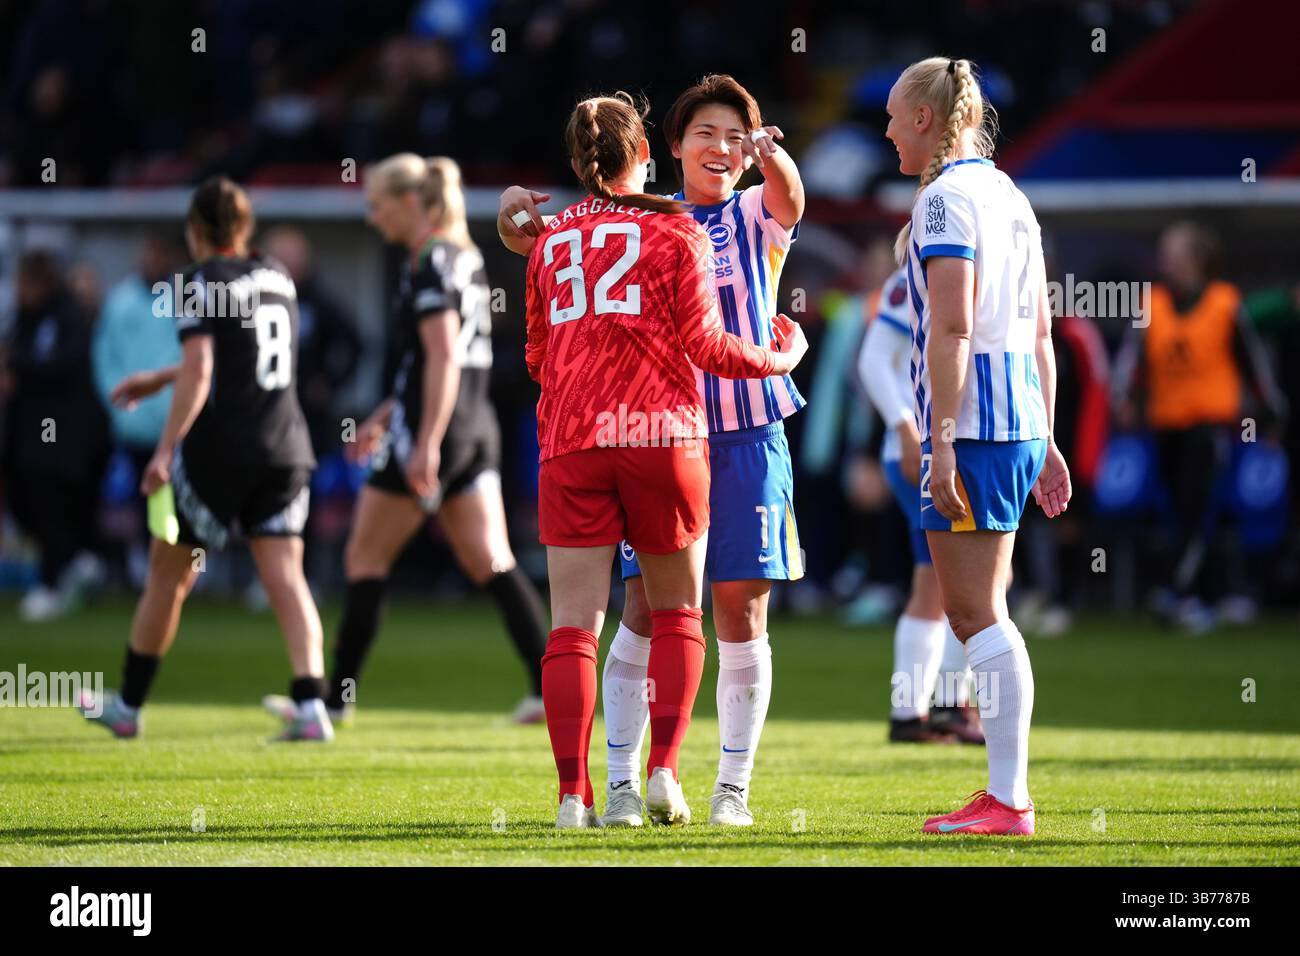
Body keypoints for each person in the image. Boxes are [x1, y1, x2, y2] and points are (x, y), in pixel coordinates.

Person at [498, 74, 806, 827]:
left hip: (575, 439)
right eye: (707, 133)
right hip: (667, 434)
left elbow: (536, 359)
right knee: (675, 614)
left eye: (737, 137)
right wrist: (781, 359)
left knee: (574, 623)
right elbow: (704, 343)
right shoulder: (677, 230)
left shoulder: (553, 241)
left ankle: (578, 797)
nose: (723, 147)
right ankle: (661, 775)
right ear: (653, 149)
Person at [267, 154, 550, 727]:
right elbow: (437, 360)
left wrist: (424, 440)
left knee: (364, 557)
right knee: (491, 561)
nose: (373, 219)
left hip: (436, 431)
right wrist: (386, 410)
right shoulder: (463, 256)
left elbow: (442, 355)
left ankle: (333, 701)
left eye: (377, 205)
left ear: (410, 202)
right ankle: (551, 690)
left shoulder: (428, 263)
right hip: (474, 428)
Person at [885, 57, 1071, 835]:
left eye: (895, 115)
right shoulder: (1009, 193)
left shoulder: (944, 201)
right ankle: (1005, 792)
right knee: (977, 610)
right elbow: (1041, 333)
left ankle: (1009, 797)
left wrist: (944, 443)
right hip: (1018, 418)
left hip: (980, 425)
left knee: (975, 613)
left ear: (926, 119)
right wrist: (1050, 439)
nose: (888, 130)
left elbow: (953, 330)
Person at [77, 177, 332, 742]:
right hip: (285, 447)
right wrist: (161, 377)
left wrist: (165, 449)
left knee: (168, 578)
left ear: (195, 230)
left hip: (222, 451)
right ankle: (312, 706)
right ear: (244, 229)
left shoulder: (197, 282)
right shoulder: (278, 277)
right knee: (287, 578)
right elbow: (241, 359)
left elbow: (203, 368)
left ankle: (128, 705)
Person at [1112, 221, 1286, 632]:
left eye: (1175, 252)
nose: (1166, 260)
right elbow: (1130, 363)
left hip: (1209, 428)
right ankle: (1212, 595)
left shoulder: (1225, 303)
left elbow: (1253, 364)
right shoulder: (1150, 304)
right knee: (1177, 510)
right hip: (1165, 426)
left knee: (1196, 508)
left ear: (1198, 259)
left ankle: (1177, 593)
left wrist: (1271, 413)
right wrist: (1125, 402)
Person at [858, 264, 982, 744]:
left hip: (938, 444)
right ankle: (945, 705)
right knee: (964, 580)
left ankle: (916, 713)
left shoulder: (946, 273)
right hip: (926, 448)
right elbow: (873, 361)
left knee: (940, 581)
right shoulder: (913, 279)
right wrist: (905, 428)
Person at [2, 249, 110, 621]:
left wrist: (18, 367)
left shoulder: (66, 316)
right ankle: (75, 562)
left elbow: (65, 365)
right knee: (27, 498)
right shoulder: (25, 318)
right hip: (28, 429)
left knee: (49, 493)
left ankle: (57, 578)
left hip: (54, 430)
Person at [92, 235, 184, 586]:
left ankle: (180, 567)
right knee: (143, 497)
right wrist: (117, 403)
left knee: (179, 499)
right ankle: (149, 566)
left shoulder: (186, 297)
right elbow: (104, 356)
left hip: (177, 422)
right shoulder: (120, 301)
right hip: (134, 422)